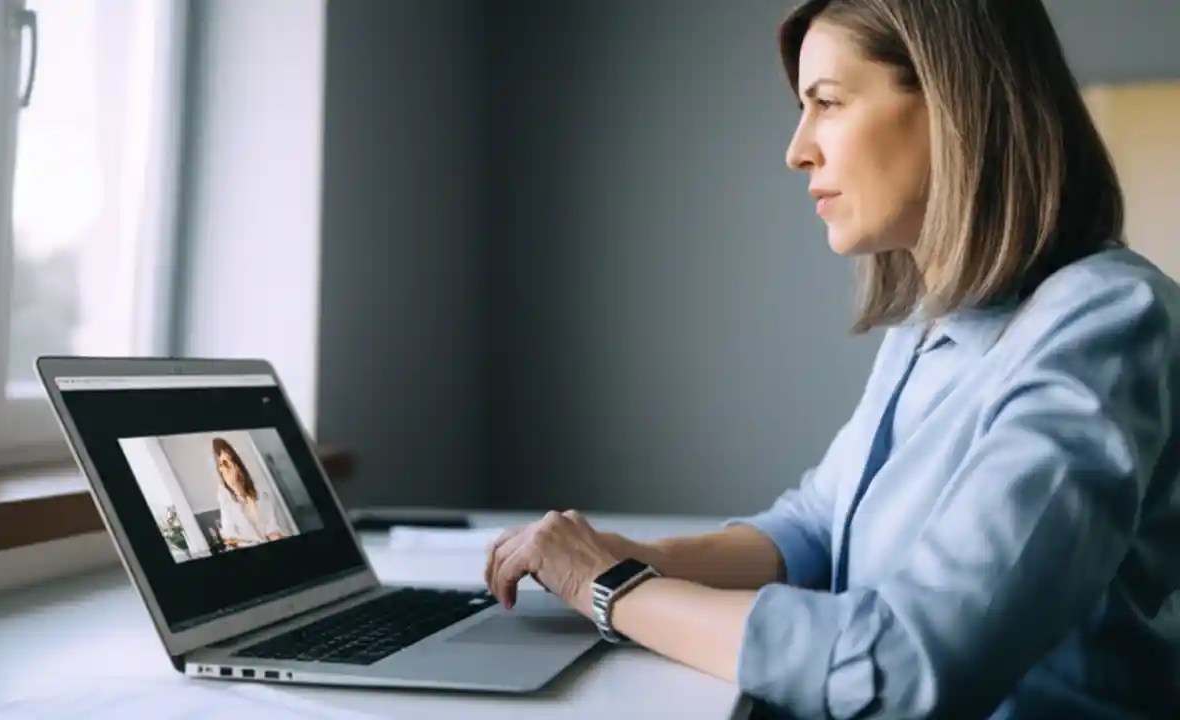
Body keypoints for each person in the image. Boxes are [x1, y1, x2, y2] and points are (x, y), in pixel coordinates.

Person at [482, 1, 1180, 717]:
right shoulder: (935, 319)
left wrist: (611, 590)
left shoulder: (1109, 323)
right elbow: (816, 526)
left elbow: (907, 663)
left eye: (828, 102)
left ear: (954, 105)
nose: (798, 150)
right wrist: (626, 558)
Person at [213, 437, 287, 548]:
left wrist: (274, 535)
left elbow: (272, 525)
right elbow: (229, 534)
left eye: (231, 462)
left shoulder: (261, 492)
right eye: (222, 465)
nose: (229, 469)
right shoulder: (224, 497)